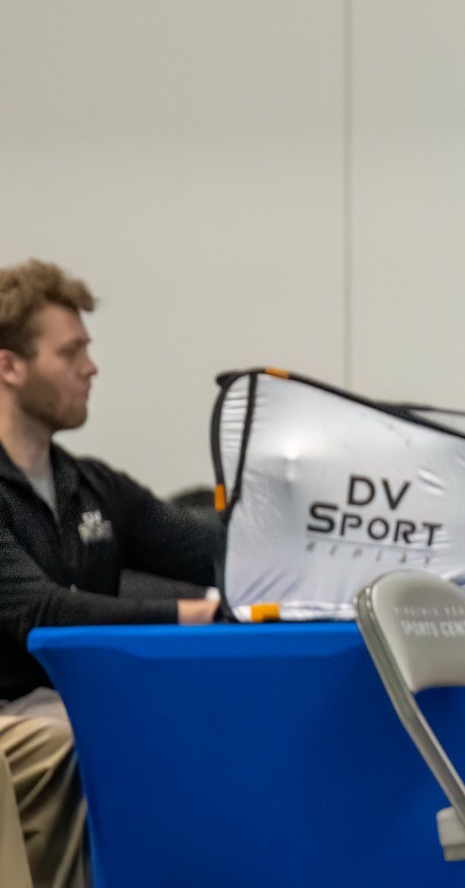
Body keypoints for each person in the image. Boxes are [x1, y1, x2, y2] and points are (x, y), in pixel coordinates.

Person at [0, 260, 225, 888]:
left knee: (194, 719)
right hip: (12, 713)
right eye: (70, 353)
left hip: (66, 701)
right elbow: (35, 612)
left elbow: (211, 549)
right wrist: (184, 615)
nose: (90, 368)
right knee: (86, 738)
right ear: (8, 367)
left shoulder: (90, 484)